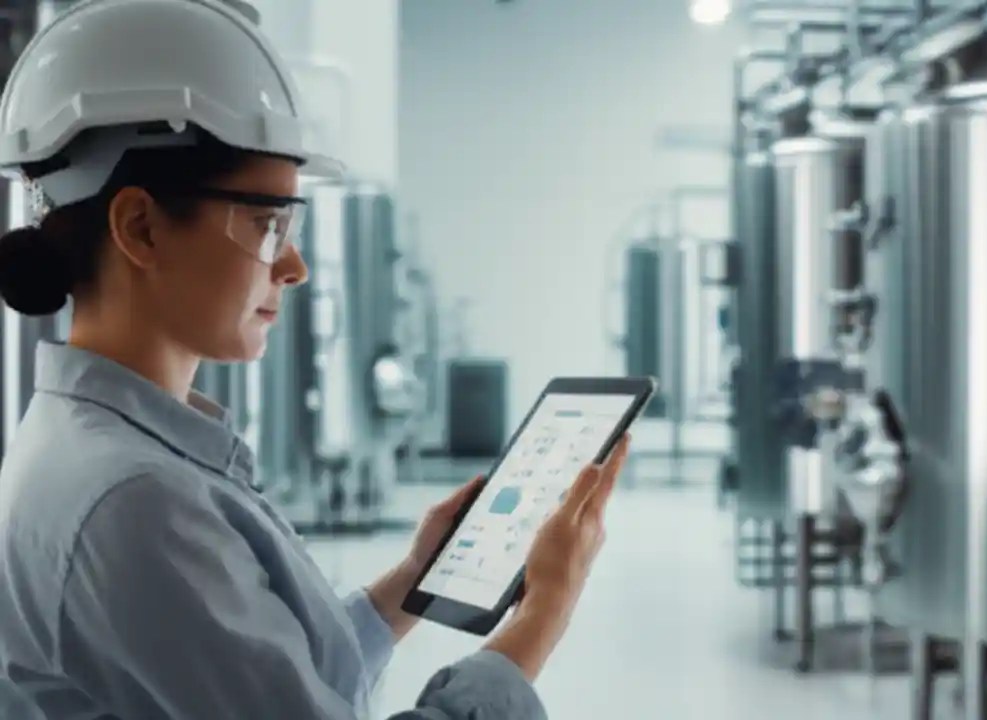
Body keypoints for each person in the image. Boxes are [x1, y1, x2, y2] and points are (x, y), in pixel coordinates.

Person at [0, 1, 628, 719]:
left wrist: (414, 578)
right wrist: (542, 618)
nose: (293, 265)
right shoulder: (133, 502)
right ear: (141, 227)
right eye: (266, 224)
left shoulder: (112, 452)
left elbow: (271, 685)